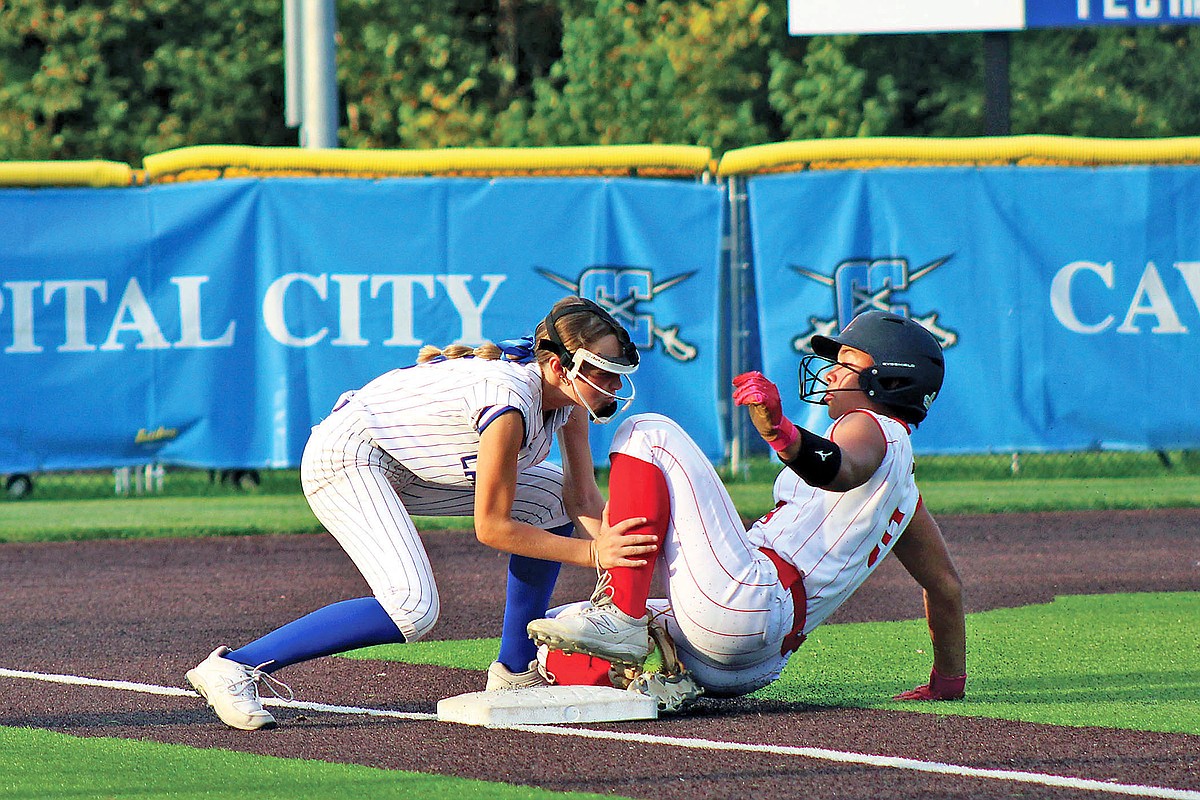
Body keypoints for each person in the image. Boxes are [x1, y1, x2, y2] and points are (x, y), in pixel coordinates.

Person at [186, 296, 659, 730]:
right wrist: (597, 554)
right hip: (349, 456)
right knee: (412, 608)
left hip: (409, 465)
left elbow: (581, 501)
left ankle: (515, 672)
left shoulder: (566, 401)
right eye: (603, 370)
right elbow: (492, 528)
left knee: (550, 497)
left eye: (617, 371)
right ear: (558, 365)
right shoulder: (511, 404)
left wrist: (621, 567)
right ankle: (235, 667)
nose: (615, 384)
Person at [527, 310, 966, 708]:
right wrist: (948, 679)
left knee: (645, 431)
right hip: (754, 662)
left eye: (847, 360)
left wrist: (781, 433)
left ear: (890, 379)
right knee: (560, 628)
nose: (831, 372)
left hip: (751, 600)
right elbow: (945, 587)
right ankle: (658, 675)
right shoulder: (903, 494)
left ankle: (621, 615)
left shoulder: (875, 426)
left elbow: (842, 469)